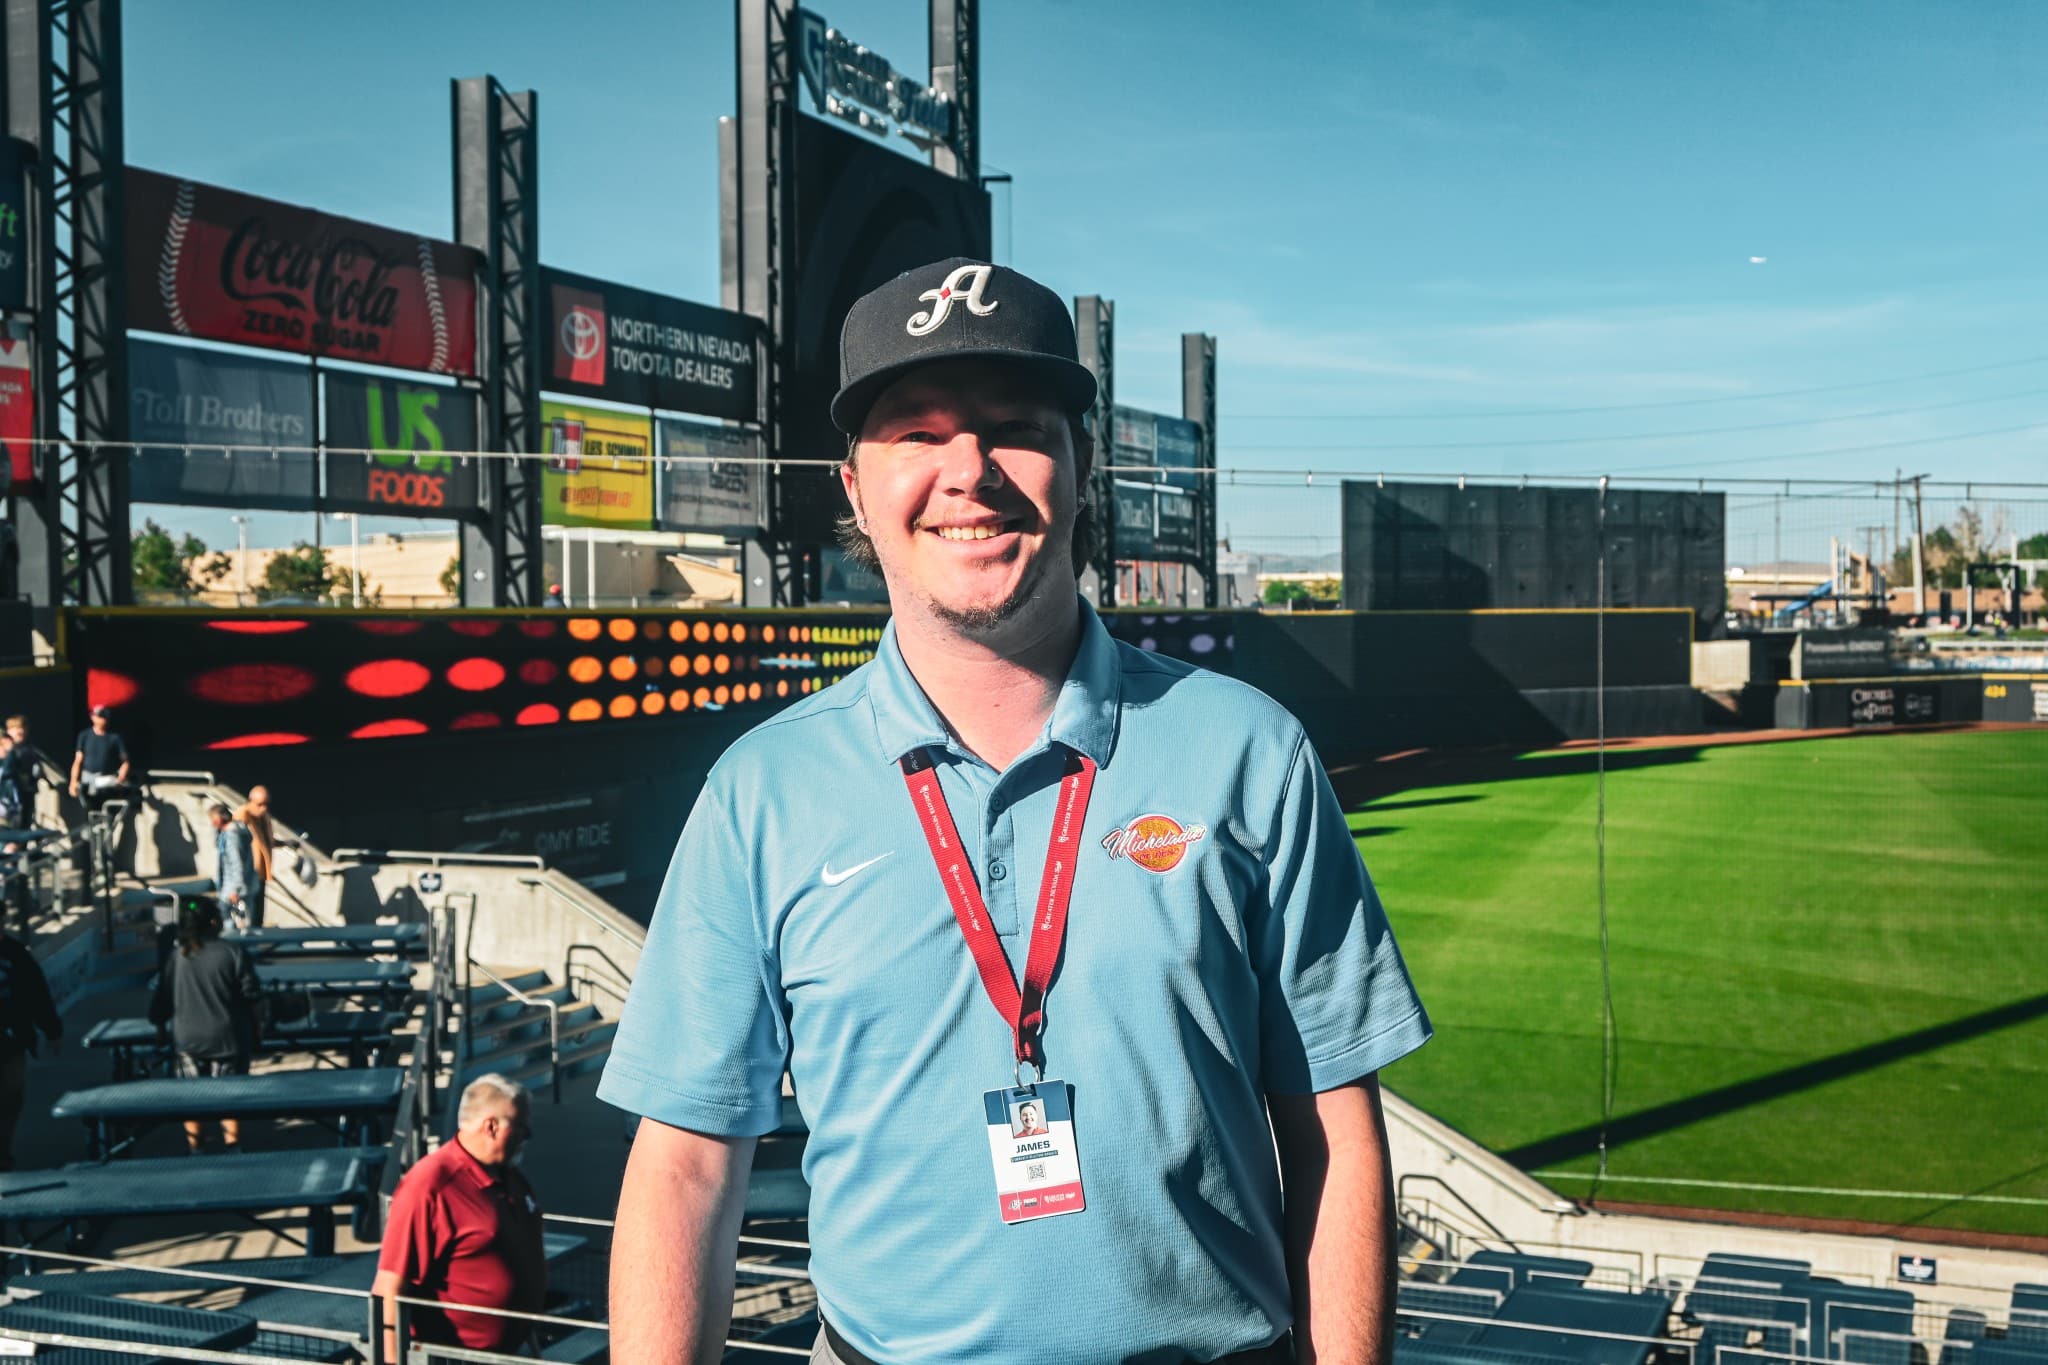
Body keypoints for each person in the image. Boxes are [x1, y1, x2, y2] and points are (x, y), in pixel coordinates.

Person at [600, 259, 1431, 1364]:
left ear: (1082, 467)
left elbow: (1331, 1126)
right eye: (916, 432)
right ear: (854, 486)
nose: (969, 472)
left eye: (1013, 427)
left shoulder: (1246, 748)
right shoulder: (762, 790)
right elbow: (686, 1165)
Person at [372, 1074, 545, 1357]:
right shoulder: (429, 1185)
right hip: (456, 1358)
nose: (527, 1136)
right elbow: (388, 1288)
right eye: (521, 1127)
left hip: (514, 1350)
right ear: (491, 1126)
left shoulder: (510, 1176)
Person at [147, 894, 263, 1153]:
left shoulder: (178, 956)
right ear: (213, 922)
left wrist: (158, 1028)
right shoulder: (232, 952)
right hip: (228, 1038)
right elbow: (252, 995)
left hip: (187, 1038)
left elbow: (163, 997)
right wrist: (258, 1027)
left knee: (191, 1095)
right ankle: (232, 1144)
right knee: (229, 1095)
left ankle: (195, 1146)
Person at [0, 928, 62, 1170]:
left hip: (11, 1039)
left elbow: (36, 990)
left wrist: (52, 1030)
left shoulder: (15, 953)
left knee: (11, 1096)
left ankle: (3, 1152)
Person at [68, 704, 130, 809]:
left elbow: (125, 761)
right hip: (88, 779)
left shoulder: (115, 738)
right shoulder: (84, 736)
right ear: (93, 717)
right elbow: (78, 760)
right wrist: (73, 781)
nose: (103, 719)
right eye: (100, 716)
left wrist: (122, 775)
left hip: (106, 781)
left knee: (108, 807)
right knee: (90, 807)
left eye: (105, 716)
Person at [208, 803, 256, 932]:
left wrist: (235, 889)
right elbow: (217, 844)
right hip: (243, 884)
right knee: (244, 922)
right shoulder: (234, 832)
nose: (212, 824)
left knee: (229, 920)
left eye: (213, 820)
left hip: (234, 886)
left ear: (219, 820)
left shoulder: (232, 836)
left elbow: (236, 863)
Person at [235, 786, 274, 932]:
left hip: (262, 871)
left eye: (266, 804)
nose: (263, 808)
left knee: (259, 909)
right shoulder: (243, 815)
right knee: (249, 909)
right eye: (259, 804)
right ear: (251, 801)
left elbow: (266, 841)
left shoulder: (264, 817)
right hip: (250, 871)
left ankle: (257, 931)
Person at [2, 716, 46, 831]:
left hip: (26, 794)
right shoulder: (5, 751)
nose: (20, 731)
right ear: (8, 730)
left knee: (24, 827)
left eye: (22, 728)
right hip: (8, 799)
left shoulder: (29, 750)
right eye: (16, 728)